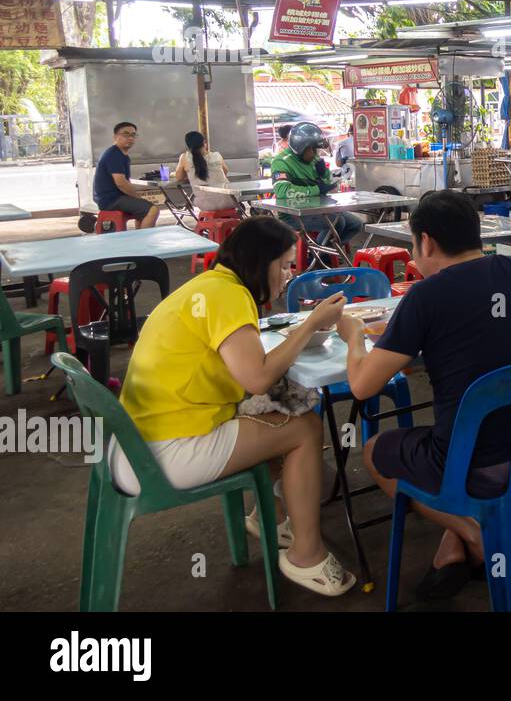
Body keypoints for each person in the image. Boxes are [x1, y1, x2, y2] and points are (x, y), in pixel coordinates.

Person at [108, 216, 356, 595]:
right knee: (303, 427)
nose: (289, 275)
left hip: (136, 443)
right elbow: (257, 376)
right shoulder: (230, 297)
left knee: (269, 412)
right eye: (286, 265)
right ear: (263, 262)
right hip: (163, 453)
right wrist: (311, 324)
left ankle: (270, 516)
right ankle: (305, 555)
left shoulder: (211, 285)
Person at [340, 190, 511, 601]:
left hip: (475, 471)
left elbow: (362, 386)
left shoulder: (426, 297)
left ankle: (471, 533)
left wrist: (353, 337)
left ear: (426, 242)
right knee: (460, 433)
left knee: (374, 453)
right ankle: (453, 544)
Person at [270, 121, 362, 254]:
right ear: (300, 147)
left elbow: (328, 182)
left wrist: (325, 173)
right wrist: (317, 189)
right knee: (338, 222)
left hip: (318, 209)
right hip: (293, 214)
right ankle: (317, 258)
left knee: (355, 224)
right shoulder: (281, 162)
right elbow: (283, 191)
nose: (315, 153)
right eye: (312, 149)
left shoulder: (313, 160)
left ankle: (324, 255)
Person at [92, 121, 159, 229]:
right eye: (126, 134)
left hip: (115, 197)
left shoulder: (121, 154)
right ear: (115, 137)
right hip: (110, 200)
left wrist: (138, 199)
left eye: (133, 135)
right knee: (152, 210)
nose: (130, 138)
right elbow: (121, 183)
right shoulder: (113, 154)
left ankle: (140, 238)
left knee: (143, 210)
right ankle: (145, 244)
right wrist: (138, 197)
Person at [174, 130, 238, 213]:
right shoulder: (217, 156)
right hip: (229, 200)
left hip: (205, 203)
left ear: (188, 145)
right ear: (204, 143)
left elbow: (179, 177)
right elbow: (225, 171)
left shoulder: (185, 157)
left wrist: (191, 174)